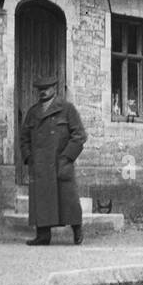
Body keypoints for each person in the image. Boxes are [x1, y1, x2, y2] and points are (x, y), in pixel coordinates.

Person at [19, 75, 88, 246]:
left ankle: (77, 230)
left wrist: (67, 157)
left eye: (46, 89)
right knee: (41, 200)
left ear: (54, 89)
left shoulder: (67, 109)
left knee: (68, 199)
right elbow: (24, 138)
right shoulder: (33, 112)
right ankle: (43, 235)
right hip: (40, 165)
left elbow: (79, 135)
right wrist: (29, 157)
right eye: (40, 90)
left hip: (60, 162)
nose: (43, 92)